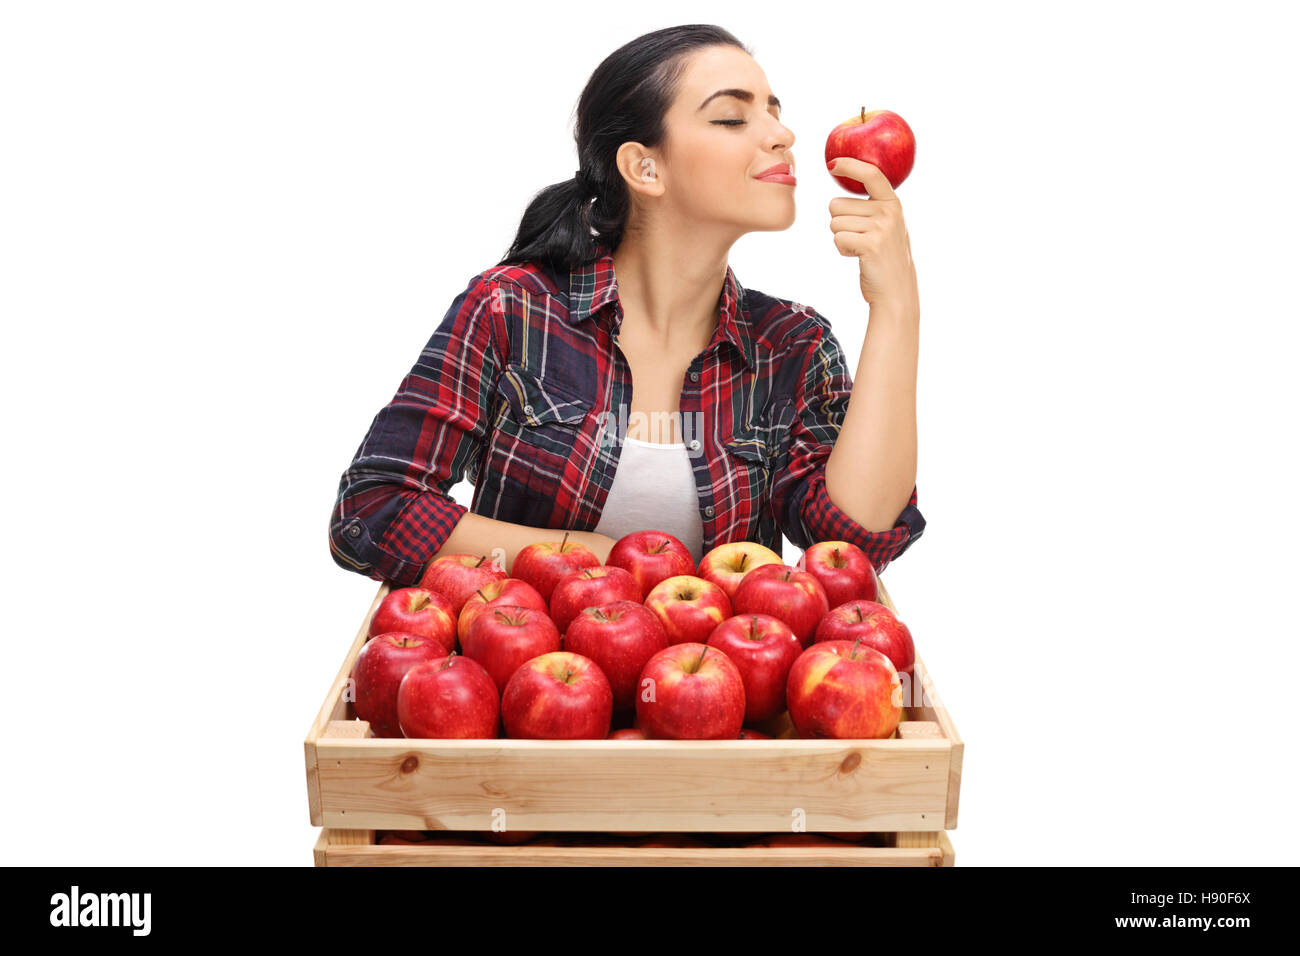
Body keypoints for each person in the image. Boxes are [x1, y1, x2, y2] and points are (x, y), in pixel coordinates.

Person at [328, 24, 925, 587]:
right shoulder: (512, 309)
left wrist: (896, 307)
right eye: (730, 116)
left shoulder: (794, 345)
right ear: (645, 167)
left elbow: (856, 545)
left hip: (719, 691)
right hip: (525, 684)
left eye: (774, 110)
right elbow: (371, 511)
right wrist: (589, 557)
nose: (782, 135)